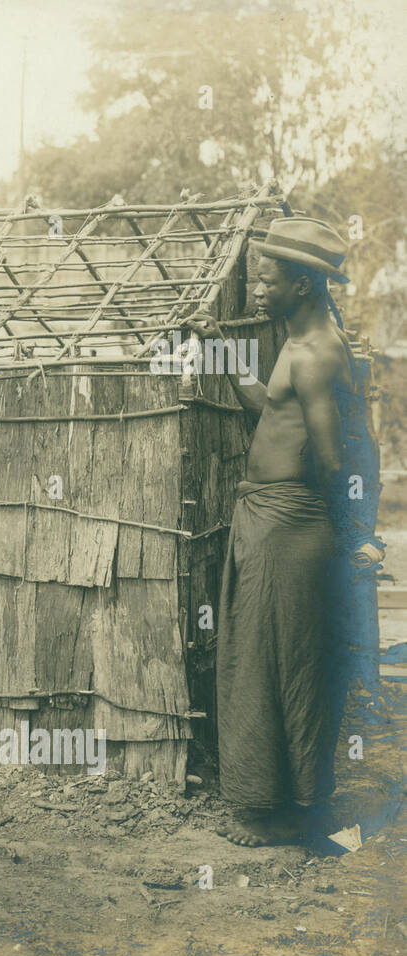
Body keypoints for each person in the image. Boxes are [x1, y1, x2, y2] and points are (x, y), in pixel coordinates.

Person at [185, 216, 354, 848]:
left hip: (289, 524)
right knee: (264, 657)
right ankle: (280, 802)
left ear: (303, 286)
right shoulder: (297, 340)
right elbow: (269, 408)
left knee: (281, 664)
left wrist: (340, 530)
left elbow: (332, 459)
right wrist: (218, 349)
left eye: (267, 279)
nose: (255, 290)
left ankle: (286, 811)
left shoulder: (314, 354)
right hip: (272, 518)